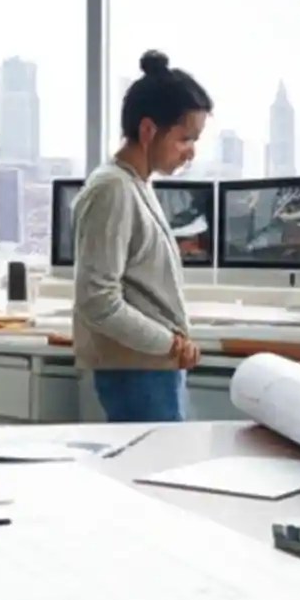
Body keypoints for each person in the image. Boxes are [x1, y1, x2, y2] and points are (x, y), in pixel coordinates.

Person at [71, 50, 212, 422]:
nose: (191, 153)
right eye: (185, 139)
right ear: (149, 130)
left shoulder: (137, 184)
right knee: (154, 473)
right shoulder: (112, 190)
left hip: (154, 367)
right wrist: (169, 344)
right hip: (137, 372)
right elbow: (97, 300)